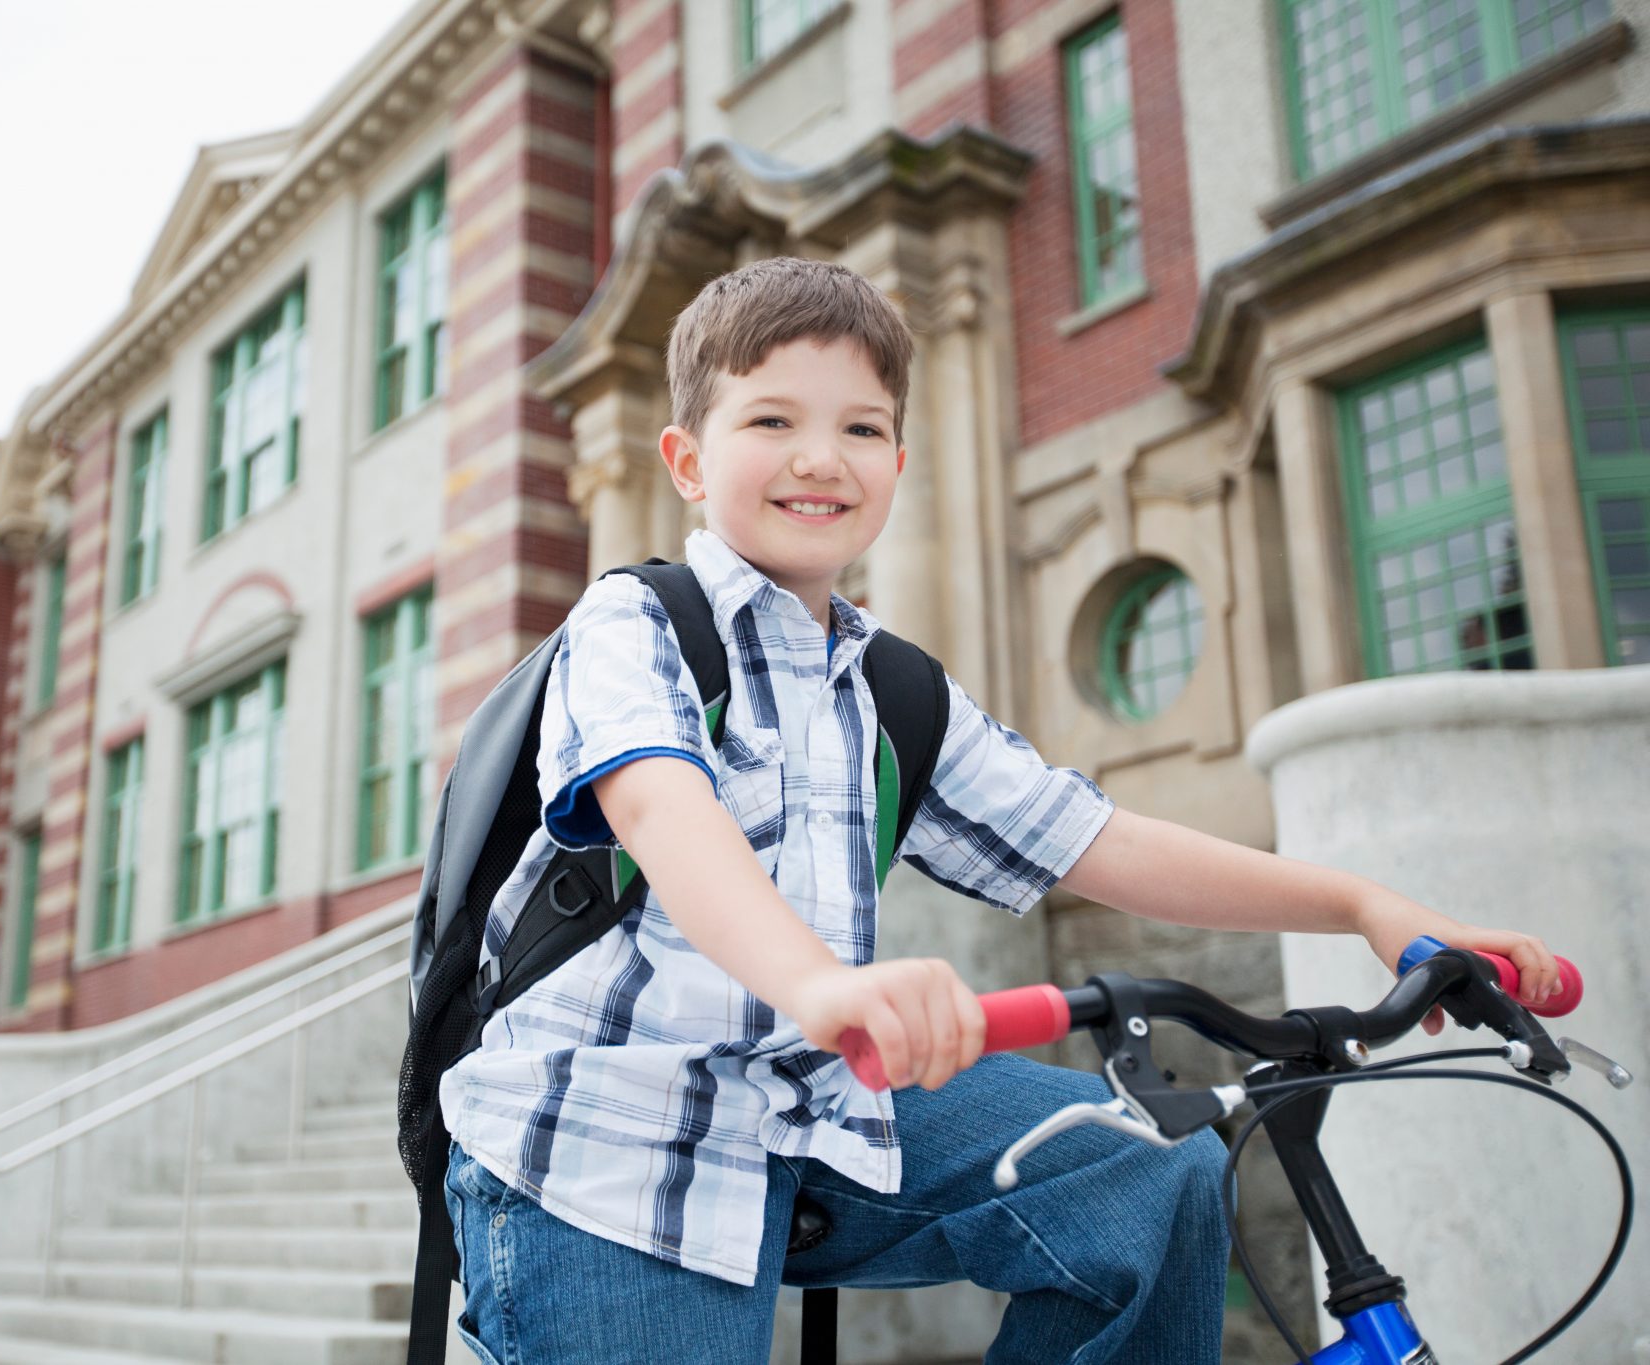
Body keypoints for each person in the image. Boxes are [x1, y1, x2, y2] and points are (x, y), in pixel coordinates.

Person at [435, 256, 1559, 1364]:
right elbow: (658, 807)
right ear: (686, 460)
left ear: (897, 459)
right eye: (770, 421)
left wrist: (1363, 903)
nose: (820, 458)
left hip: (813, 1106)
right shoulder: (633, 622)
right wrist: (822, 984)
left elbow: (1096, 840)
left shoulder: (890, 689)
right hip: (608, 1139)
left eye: (860, 430)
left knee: (1143, 1172)